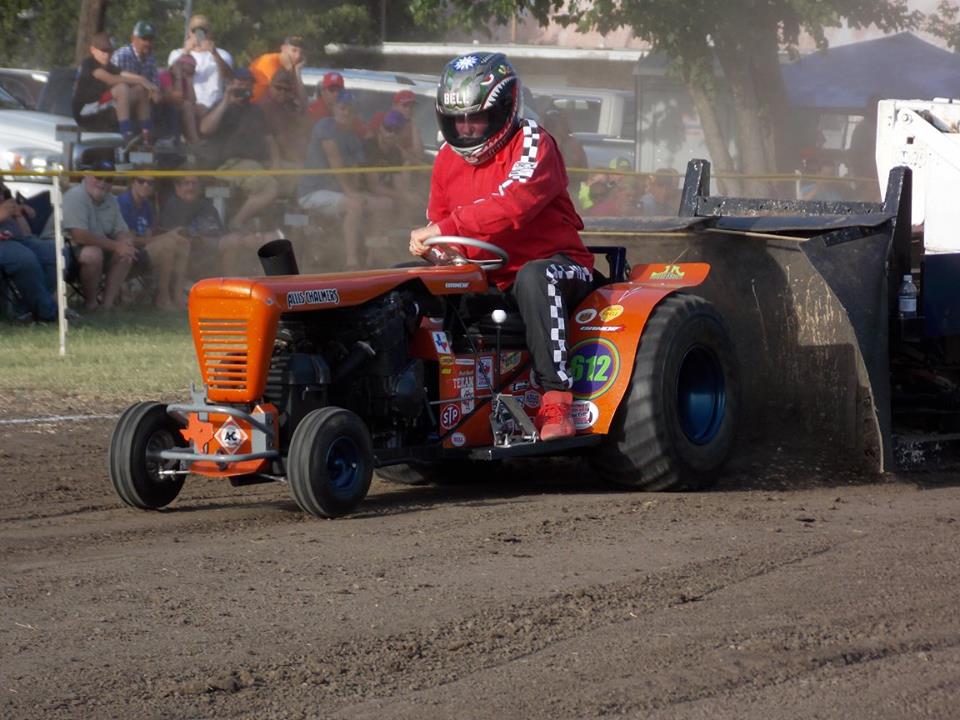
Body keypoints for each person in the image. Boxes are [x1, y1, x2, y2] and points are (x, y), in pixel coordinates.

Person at [408, 53, 594, 441]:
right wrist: (432, 248)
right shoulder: (445, 158)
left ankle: (557, 402)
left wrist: (446, 227)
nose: (467, 128)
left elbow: (514, 205)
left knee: (534, 276)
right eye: (457, 120)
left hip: (560, 268)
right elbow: (440, 225)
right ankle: (412, 397)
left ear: (505, 108)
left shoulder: (534, 142)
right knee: (405, 287)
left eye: (476, 117)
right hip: (485, 279)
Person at [298, 91, 391, 269]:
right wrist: (351, 193)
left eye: (350, 109)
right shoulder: (325, 126)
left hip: (338, 191)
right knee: (354, 205)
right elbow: (336, 163)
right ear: (334, 108)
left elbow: (355, 171)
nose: (346, 113)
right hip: (313, 191)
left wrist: (355, 191)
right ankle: (351, 261)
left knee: (383, 204)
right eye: (342, 108)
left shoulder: (353, 137)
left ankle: (373, 256)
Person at [199, 68, 280, 231]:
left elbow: (270, 140)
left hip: (259, 163)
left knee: (298, 177)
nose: (244, 87)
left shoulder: (256, 110)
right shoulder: (221, 106)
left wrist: (276, 162)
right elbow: (204, 129)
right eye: (239, 82)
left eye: (248, 83)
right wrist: (226, 100)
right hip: (230, 165)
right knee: (268, 186)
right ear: (230, 84)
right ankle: (237, 222)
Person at [159, 175, 274, 281]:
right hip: (196, 249)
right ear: (177, 188)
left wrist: (246, 236)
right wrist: (238, 240)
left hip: (217, 245)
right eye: (186, 183)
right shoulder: (173, 206)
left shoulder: (206, 205)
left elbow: (221, 231)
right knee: (234, 241)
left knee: (266, 239)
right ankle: (232, 288)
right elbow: (176, 235)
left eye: (194, 183)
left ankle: (266, 289)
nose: (191, 187)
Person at [61, 160, 139, 312]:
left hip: (94, 247)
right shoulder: (75, 196)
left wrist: (125, 242)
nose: (103, 183)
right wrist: (117, 246)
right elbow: (79, 236)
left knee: (126, 253)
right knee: (93, 254)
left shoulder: (111, 200)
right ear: (87, 175)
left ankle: (106, 307)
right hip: (62, 249)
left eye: (108, 179)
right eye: (99, 177)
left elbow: (121, 230)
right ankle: (91, 305)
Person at [117, 176, 191, 309]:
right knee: (168, 244)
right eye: (141, 181)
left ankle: (178, 296)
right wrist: (164, 237)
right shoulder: (123, 203)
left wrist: (169, 235)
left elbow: (149, 234)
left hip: (144, 249)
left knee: (183, 243)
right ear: (133, 182)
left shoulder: (147, 205)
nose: (146, 185)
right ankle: (162, 298)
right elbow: (129, 240)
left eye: (150, 182)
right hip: (127, 253)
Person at [72, 32, 157, 140]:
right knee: (122, 88)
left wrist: (144, 81)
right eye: (103, 51)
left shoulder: (109, 65)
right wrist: (138, 81)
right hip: (85, 112)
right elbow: (110, 79)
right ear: (93, 50)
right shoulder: (89, 63)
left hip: (101, 108)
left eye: (109, 52)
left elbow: (123, 73)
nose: (107, 55)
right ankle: (126, 133)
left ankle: (147, 133)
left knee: (140, 90)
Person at [0, 186, 59, 322]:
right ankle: (47, 313)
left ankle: (27, 310)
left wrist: (18, 214)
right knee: (25, 258)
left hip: (18, 240)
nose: (1, 197)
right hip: (5, 244)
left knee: (55, 254)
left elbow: (26, 234)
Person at [168, 14, 234, 113]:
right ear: (189, 32)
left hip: (214, 107)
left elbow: (229, 77)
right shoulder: (177, 53)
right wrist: (186, 51)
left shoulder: (222, 54)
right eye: (194, 31)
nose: (198, 34)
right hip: (188, 107)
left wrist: (214, 53)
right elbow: (172, 75)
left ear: (210, 33)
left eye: (203, 31)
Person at [110, 21, 162, 141]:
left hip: (137, 103)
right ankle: (128, 132)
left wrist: (155, 92)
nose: (148, 43)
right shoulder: (122, 55)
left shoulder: (151, 59)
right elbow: (112, 78)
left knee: (143, 91)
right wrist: (141, 81)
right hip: (111, 102)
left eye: (151, 39)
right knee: (135, 88)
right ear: (133, 38)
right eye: (144, 39)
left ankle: (147, 134)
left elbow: (155, 86)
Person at [365, 89, 425, 163]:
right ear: (394, 106)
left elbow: (419, 155)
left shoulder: (411, 126)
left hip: (399, 162)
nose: (409, 109)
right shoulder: (381, 118)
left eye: (412, 106)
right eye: (405, 105)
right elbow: (367, 142)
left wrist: (414, 126)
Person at [541, 108, 588, 199]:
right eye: (551, 122)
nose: (555, 125)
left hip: (569, 194)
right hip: (544, 193)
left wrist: (567, 176)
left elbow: (584, 174)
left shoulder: (574, 145)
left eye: (559, 122)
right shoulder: (540, 141)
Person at [249, 35, 307, 107]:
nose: (298, 56)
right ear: (283, 48)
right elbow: (276, 95)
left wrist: (297, 72)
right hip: (254, 109)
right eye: (294, 50)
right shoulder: (269, 61)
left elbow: (304, 103)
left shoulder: (291, 69)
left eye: (301, 52)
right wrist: (290, 69)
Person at [155, 54, 201, 144]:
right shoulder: (166, 75)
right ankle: (195, 142)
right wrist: (178, 77)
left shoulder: (184, 79)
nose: (188, 74)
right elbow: (177, 98)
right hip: (164, 106)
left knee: (201, 108)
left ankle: (206, 137)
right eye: (186, 71)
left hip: (177, 106)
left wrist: (189, 80)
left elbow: (193, 101)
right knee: (187, 106)